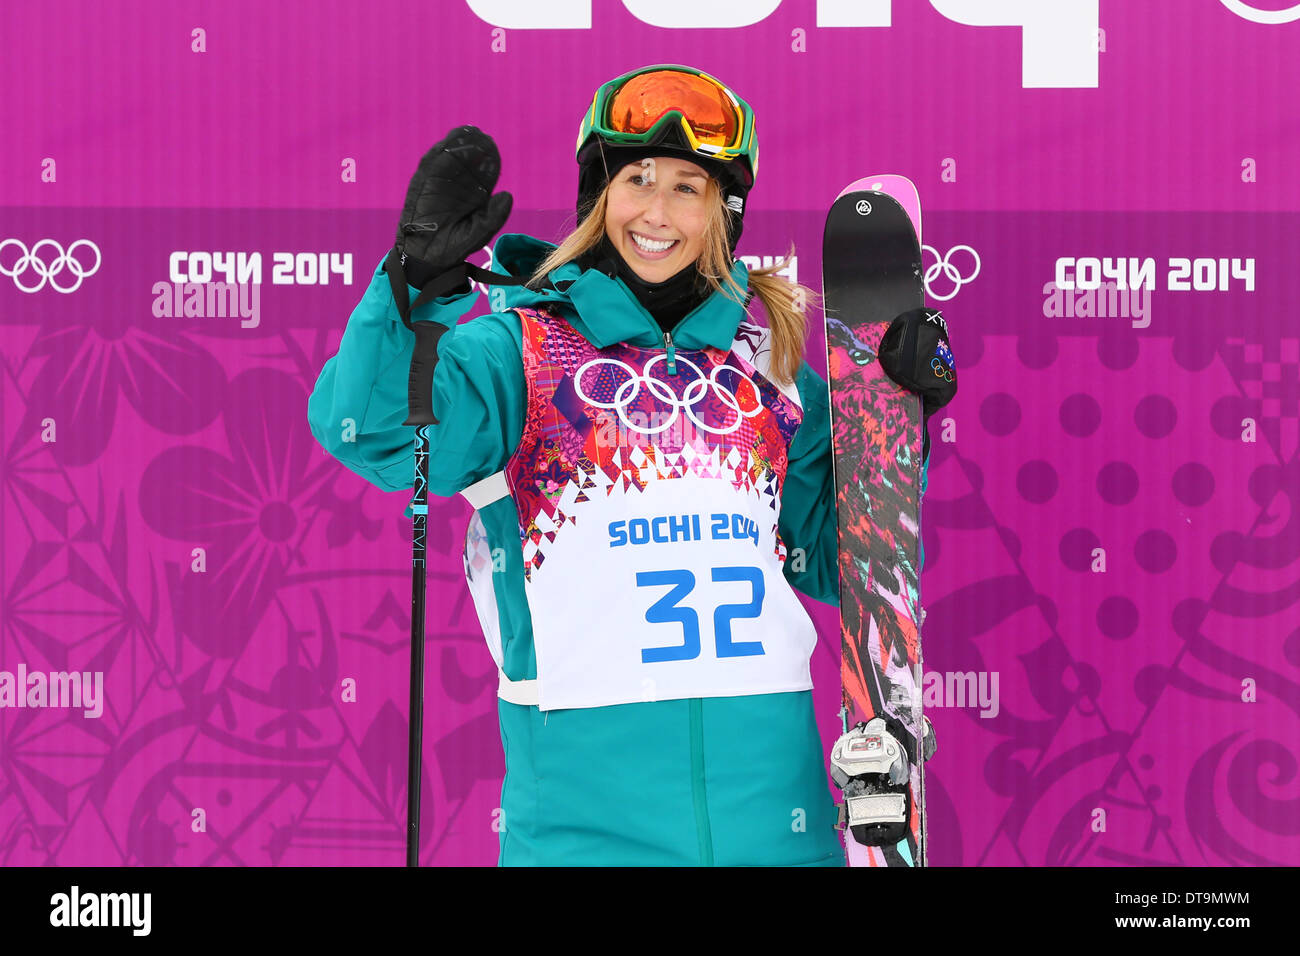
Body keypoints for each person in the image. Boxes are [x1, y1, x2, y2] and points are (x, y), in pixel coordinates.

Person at [308, 64, 940, 866]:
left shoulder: (773, 367)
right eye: (637, 178)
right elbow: (369, 433)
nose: (658, 210)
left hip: (776, 824)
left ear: (723, 213)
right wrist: (415, 290)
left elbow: (846, 566)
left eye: (688, 187)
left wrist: (893, 427)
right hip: (583, 833)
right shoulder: (517, 354)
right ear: (600, 198)